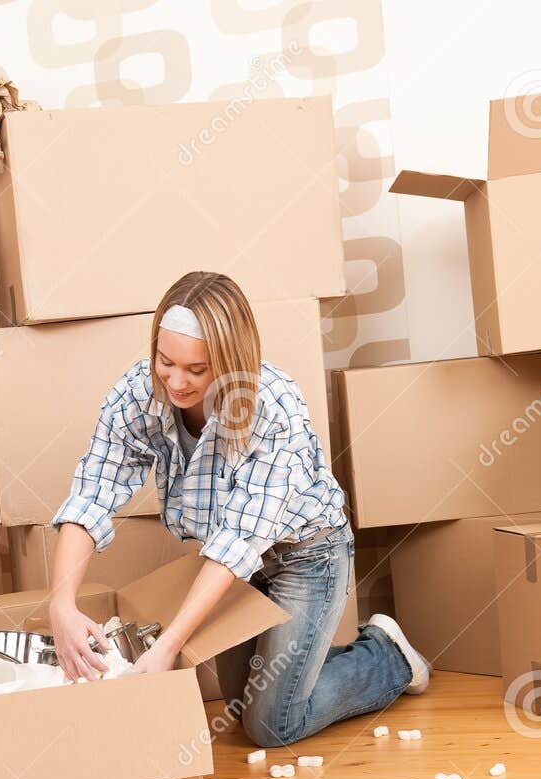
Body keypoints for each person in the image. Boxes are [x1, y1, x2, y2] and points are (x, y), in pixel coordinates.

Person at [46, 270, 430, 748]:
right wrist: (61, 603)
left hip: (306, 557)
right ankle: (302, 667)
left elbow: (238, 543)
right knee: (239, 702)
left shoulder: (274, 408)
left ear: (230, 362)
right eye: (166, 362)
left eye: (196, 370)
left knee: (271, 724)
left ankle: (386, 653)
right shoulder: (139, 392)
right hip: (234, 565)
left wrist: (168, 647)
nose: (175, 382)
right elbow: (93, 492)